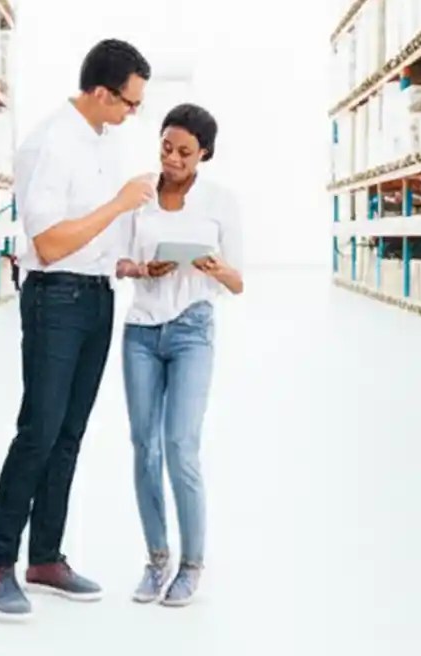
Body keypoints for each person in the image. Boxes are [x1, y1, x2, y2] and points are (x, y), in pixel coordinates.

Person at [0, 38, 155, 623]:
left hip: (97, 296)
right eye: (129, 102)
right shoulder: (50, 143)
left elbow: (91, 236)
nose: (134, 113)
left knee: (70, 434)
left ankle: (46, 558)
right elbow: (51, 243)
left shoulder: (103, 140)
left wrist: (127, 261)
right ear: (102, 92)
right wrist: (120, 203)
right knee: (39, 431)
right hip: (55, 300)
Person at [115, 104, 244, 607]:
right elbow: (119, 262)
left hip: (193, 329)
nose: (171, 159)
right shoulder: (139, 196)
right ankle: (156, 560)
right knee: (144, 446)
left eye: (184, 152)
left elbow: (238, 280)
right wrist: (143, 269)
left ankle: (192, 565)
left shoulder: (220, 201)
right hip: (142, 333)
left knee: (180, 446)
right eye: (166, 147)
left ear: (204, 154)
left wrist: (214, 268)